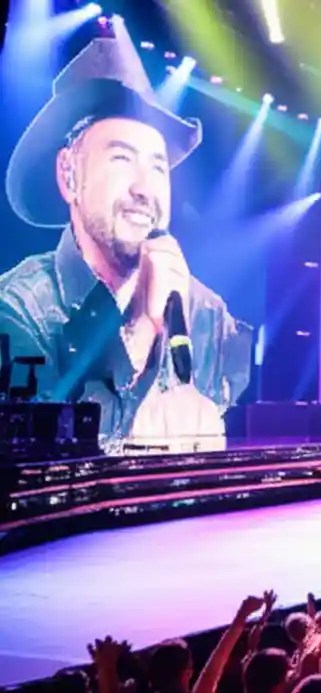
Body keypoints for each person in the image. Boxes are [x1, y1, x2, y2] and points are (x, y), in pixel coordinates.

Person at [0, 32, 252, 454]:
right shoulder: (17, 311)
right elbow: (36, 472)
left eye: (158, 167)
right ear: (69, 175)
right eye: (121, 158)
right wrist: (140, 331)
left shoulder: (207, 314)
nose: (144, 188)